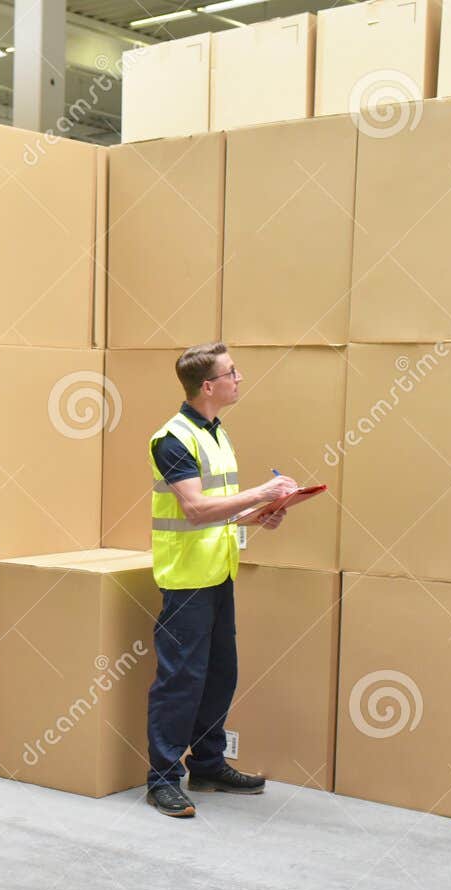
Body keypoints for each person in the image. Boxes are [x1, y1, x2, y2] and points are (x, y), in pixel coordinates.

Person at [144, 343, 297, 819]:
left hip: (218, 574)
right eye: (232, 372)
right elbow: (194, 509)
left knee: (219, 675)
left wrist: (259, 515)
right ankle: (163, 780)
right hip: (187, 580)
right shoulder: (171, 439)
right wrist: (262, 491)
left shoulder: (216, 434)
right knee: (180, 680)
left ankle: (207, 765)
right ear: (207, 386)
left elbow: (218, 513)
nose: (239, 378)